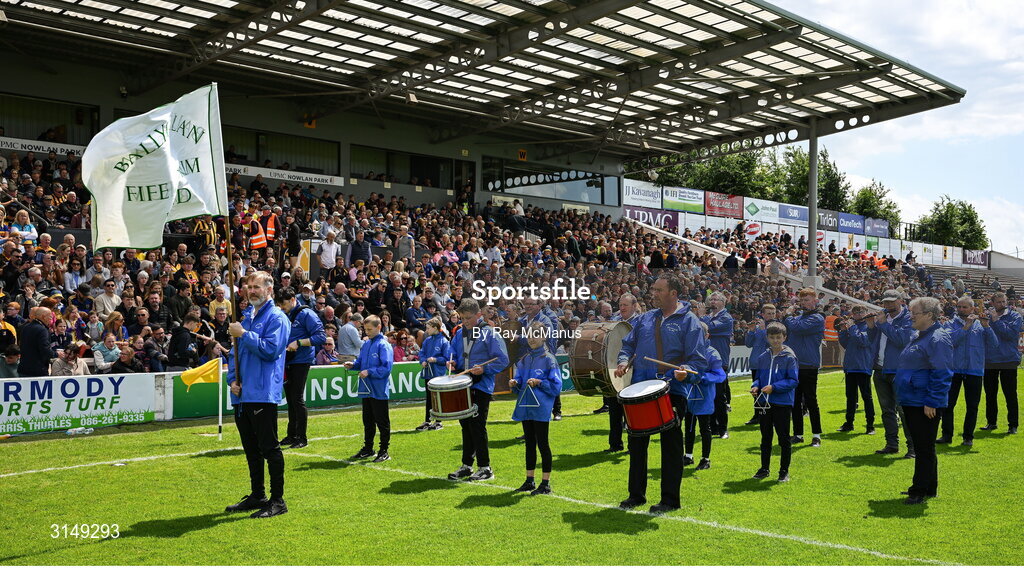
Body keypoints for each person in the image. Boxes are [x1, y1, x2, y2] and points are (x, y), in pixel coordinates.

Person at [614, 275, 707, 513]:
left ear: (673, 293)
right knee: (636, 445)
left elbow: (697, 361)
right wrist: (624, 361)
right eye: (653, 289)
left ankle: (669, 500)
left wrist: (686, 372)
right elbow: (628, 345)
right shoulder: (645, 318)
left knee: (671, 448)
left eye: (658, 290)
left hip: (672, 391)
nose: (652, 293)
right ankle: (636, 495)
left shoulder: (690, 322)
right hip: (640, 390)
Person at [224, 271, 290, 519]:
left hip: (262, 393)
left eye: (256, 287)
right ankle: (257, 495)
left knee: (269, 449)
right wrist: (232, 380)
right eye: (248, 286)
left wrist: (243, 334)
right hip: (242, 395)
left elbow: (271, 351)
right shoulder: (247, 317)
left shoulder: (277, 318)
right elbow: (234, 355)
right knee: (251, 449)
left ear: (269, 290)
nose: (251, 290)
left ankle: (277, 500)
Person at [895, 297, 953, 505]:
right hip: (913, 398)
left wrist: (932, 401)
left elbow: (942, 373)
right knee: (924, 447)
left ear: (929, 315)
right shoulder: (921, 336)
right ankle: (929, 487)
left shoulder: (937, 338)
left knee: (923, 447)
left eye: (915, 313)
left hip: (923, 402)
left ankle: (918, 490)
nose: (911, 316)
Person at [447, 299, 510, 482]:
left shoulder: (489, 333)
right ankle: (467, 465)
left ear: (479, 315)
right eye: (462, 318)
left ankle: (485, 467)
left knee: (478, 426)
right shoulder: (459, 334)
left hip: (481, 386)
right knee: (465, 426)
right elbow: (454, 354)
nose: (465, 321)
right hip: (462, 385)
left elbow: (502, 359)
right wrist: (452, 362)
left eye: (468, 318)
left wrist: (484, 369)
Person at [509, 321, 562, 495]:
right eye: (530, 335)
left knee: (543, 444)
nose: (532, 339)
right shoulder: (525, 359)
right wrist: (515, 383)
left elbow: (556, 387)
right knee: (529, 444)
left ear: (544, 337)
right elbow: (519, 386)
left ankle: (545, 484)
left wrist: (540, 382)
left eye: (536, 335)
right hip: (526, 408)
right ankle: (529, 480)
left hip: (541, 409)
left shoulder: (549, 359)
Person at [939, 296, 994, 446]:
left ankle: (968, 437)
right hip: (954, 370)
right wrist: (965, 327)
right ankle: (946, 435)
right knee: (948, 405)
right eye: (959, 307)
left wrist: (987, 327)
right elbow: (949, 342)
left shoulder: (982, 325)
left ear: (972, 309)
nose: (961, 310)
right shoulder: (950, 323)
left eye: (965, 307)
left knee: (972, 406)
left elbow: (994, 344)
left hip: (974, 371)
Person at [278, 287, 326, 450]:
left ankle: (302, 437)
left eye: (284, 304)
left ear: (292, 300)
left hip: (302, 360)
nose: (282, 308)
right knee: (291, 399)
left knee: (297, 398)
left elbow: (321, 337)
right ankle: (292, 435)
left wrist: (298, 343)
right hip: (289, 360)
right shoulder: (287, 314)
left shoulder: (307, 314)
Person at [751, 322, 799, 482]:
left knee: (783, 438)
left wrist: (774, 387)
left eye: (778, 337)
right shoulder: (763, 357)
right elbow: (758, 378)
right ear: (767, 338)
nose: (775, 340)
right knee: (765, 437)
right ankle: (764, 468)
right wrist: (755, 386)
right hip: (765, 402)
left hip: (782, 403)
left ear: (784, 337)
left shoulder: (789, 357)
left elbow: (793, 380)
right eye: (772, 337)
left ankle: (784, 471)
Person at [871, 289, 916, 458]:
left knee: (904, 410)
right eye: (885, 302)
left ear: (900, 301)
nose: (888, 305)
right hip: (881, 368)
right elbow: (871, 341)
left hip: (899, 371)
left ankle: (912, 447)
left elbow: (902, 340)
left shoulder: (908, 318)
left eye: (891, 301)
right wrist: (871, 327)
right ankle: (891, 444)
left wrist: (883, 324)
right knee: (887, 410)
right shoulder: (883, 317)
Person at [344, 314, 394, 463]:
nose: (367, 332)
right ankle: (368, 448)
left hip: (378, 390)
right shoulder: (366, 344)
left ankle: (384, 450)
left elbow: (386, 368)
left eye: (370, 329)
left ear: (379, 327)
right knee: (367, 421)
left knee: (382, 422)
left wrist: (369, 371)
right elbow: (361, 362)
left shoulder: (384, 345)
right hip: (366, 389)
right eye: (365, 329)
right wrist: (353, 365)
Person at [784, 288, 825, 447]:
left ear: (815, 301)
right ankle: (798, 434)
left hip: (808, 364)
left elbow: (797, 328)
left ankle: (816, 435)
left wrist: (788, 315)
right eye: (801, 300)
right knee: (794, 401)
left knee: (811, 400)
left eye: (807, 300)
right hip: (795, 364)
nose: (803, 303)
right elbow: (789, 330)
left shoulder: (817, 317)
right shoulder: (799, 318)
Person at [684, 322, 727, 470]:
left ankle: (705, 459)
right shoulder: (688, 352)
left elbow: (720, 376)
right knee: (689, 427)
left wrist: (701, 377)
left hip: (704, 395)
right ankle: (688, 455)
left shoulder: (712, 353)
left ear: (707, 336)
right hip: (689, 395)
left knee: (704, 428)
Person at [600, 293, 640, 450]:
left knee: (630, 411)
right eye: (620, 305)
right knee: (614, 409)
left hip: (633, 370)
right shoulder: (616, 322)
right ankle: (615, 444)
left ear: (635, 306)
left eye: (625, 305)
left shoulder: (639, 322)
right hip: (616, 369)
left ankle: (633, 444)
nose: (622, 308)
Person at [981, 292, 1021, 434]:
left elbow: (1010, 335)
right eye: (998, 302)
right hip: (990, 360)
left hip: (1008, 360)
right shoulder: (987, 316)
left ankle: (1013, 425)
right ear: (992, 303)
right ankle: (991, 422)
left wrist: (996, 320)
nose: (1002, 304)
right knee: (990, 394)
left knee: (1010, 394)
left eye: (1003, 301)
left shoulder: (1015, 316)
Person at [836, 305, 877, 434]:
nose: (858, 314)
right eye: (855, 312)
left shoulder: (869, 327)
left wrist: (852, 327)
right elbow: (846, 344)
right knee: (851, 397)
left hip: (863, 366)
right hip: (851, 366)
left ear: (865, 313)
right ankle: (849, 423)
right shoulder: (853, 327)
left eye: (860, 312)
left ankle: (870, 425)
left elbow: (862, 341)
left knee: (866, 397)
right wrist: (843, 331)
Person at [701, 292, 734, 438]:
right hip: (706, 360)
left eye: (716, 299)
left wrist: (702, 316)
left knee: (719, 397)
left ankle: (723, 429)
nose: (712, 301)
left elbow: (709, 328)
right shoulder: (711, 317)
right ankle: (712, 427)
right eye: (711, 299)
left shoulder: (726, 318)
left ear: (723, 302)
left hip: (720, 361)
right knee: (708, 396)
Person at [743, 303, 777, 426]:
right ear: (762, 314)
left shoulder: (776, 327)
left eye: (773, 313)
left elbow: (772, 343)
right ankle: (757, 415)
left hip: (769, 364)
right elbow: (748, 344)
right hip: (756, 363)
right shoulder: (758, 327)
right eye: (769, 313)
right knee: (755, 390)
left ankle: (771, 416)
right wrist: (751, 331)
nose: (771, 316)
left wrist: (763, 330)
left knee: (769, 390)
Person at [416, 317, 449, 431]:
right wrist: (423, 360)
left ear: (435, 328)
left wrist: (435, 360)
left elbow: (446, 359)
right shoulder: (427, 341)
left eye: (428, 328)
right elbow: (421, 353)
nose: (426, 330)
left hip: (438, 374)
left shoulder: (444, 341)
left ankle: (438, 421)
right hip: (428, 373)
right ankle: (428, 420)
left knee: (438, 398)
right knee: (429, 398)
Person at [18, 307, 55, 377]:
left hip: (23, 368)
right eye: (50, 317)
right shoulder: (42, 330)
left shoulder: (26, 327)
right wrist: (56, 354)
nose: (51, 319)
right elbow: (45, 349)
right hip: (38, 370)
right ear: (43, 316)